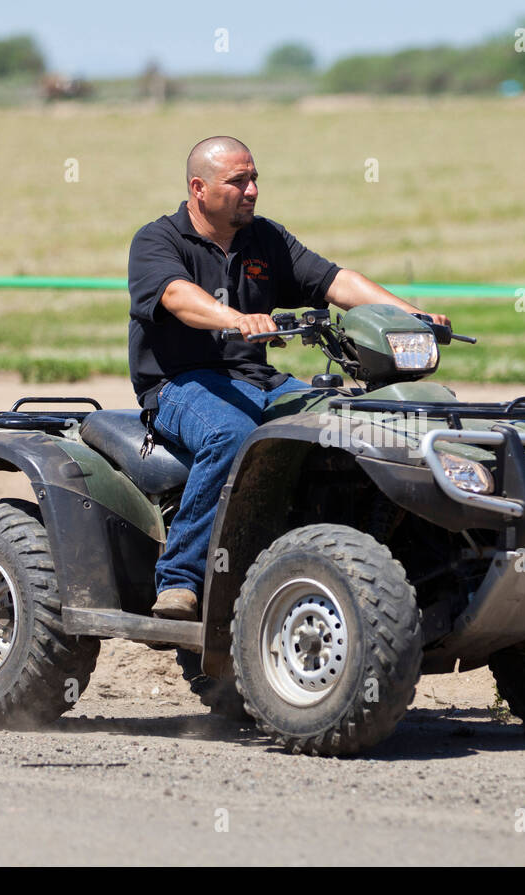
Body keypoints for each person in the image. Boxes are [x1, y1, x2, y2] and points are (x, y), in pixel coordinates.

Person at [128, 135, 448, 620]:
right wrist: (235, 318)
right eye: (238, 181)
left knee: (356, 422)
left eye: (254, 178)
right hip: (180, 384)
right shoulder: (158, 240)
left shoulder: (266, 239)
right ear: (199, 188)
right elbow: (176, 296)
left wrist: (412, 314)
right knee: (231, 433)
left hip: (261, 381)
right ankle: (180, 579)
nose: (252, 190)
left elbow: (337, 282)